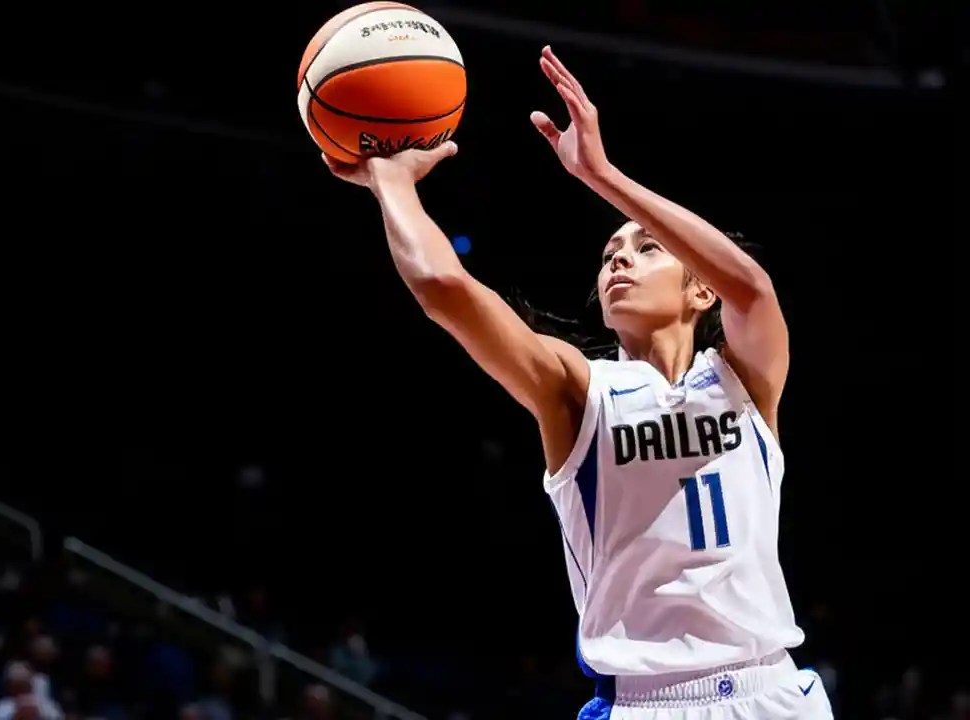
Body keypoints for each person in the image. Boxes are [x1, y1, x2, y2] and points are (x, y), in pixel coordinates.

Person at [321, 46, 832, 720]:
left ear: (701, 290)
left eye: (646, 248)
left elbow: (753, 286)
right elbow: (444, 287)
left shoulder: (748, 379)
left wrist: (602, 175)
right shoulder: (579, 388)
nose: (619, 259)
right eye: (609, 253)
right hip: (648, 704)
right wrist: (391, 183)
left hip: (773, 693)